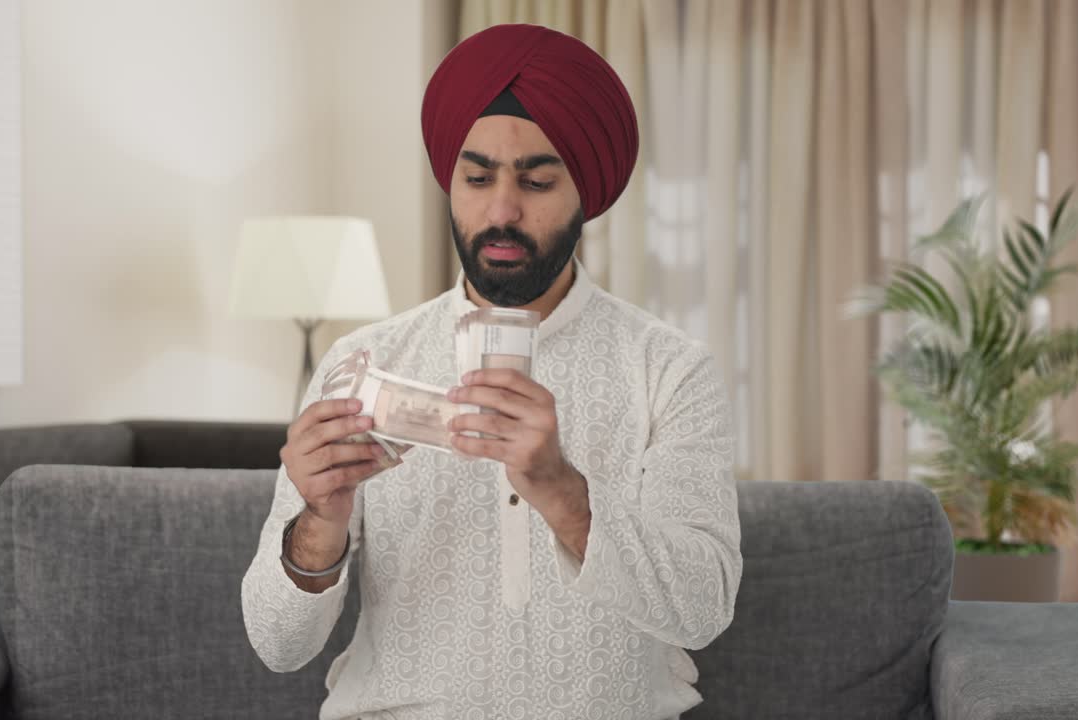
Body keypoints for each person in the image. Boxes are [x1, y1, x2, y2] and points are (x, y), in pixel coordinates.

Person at [242, 23, 742, 720]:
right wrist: (320, 522)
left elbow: (702, 610)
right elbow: (276, 644)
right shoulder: (363, 362)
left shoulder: (671, 370)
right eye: (477, 178)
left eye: (537, 181)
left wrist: (562, 492)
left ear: (586, 192)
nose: (502, 210)